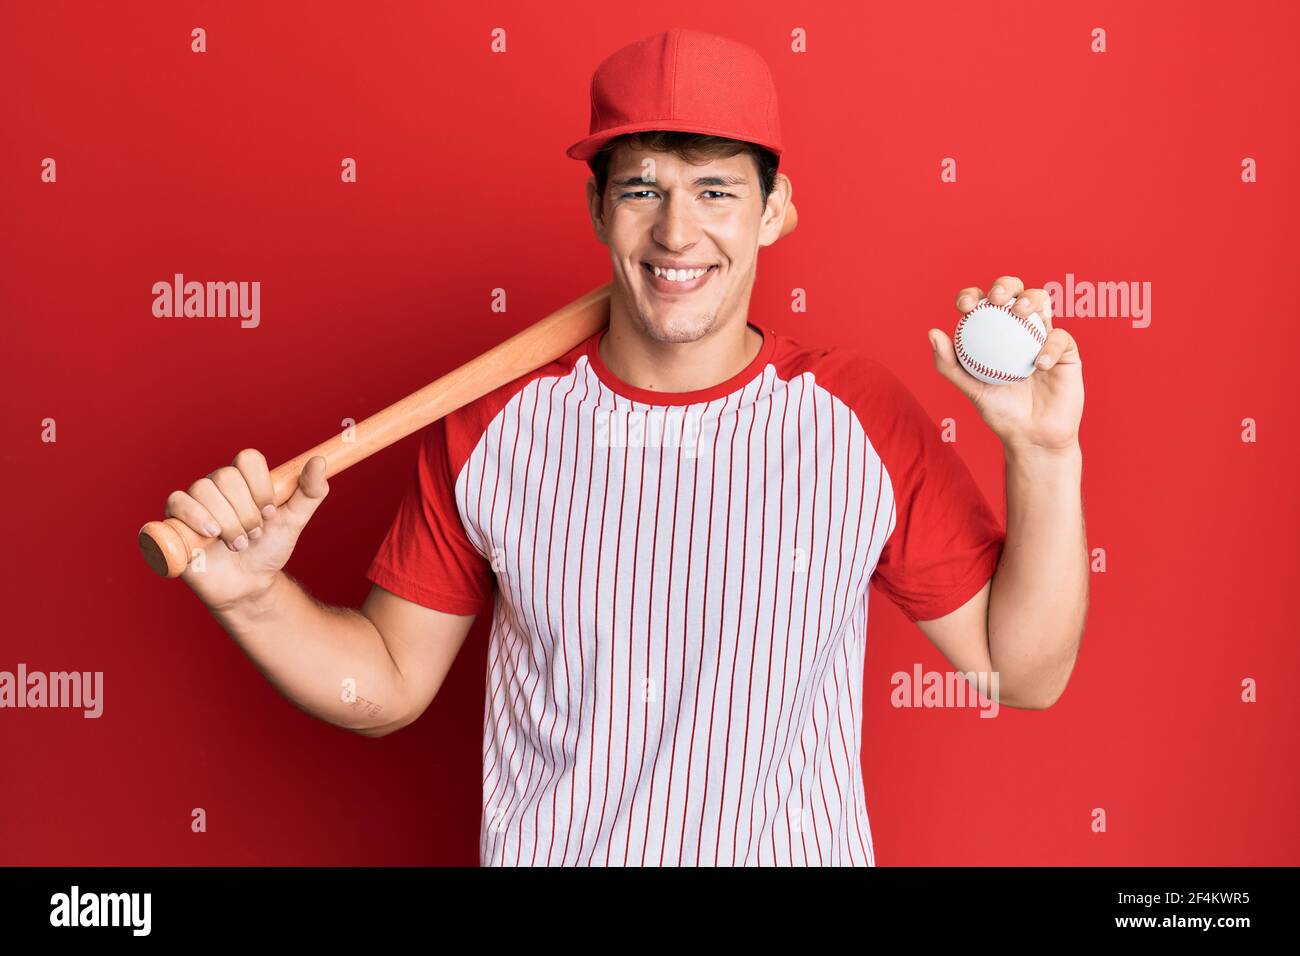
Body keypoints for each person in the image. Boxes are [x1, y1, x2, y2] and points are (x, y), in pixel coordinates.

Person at [165, 28, 1088, 866]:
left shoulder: (859, 418)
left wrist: (1044, 455)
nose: (677, 232)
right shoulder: (494, 427)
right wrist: (255, 600)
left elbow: (1026, 673)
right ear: (598, 209)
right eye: (643, 188)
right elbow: (391, 684)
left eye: (716, 190)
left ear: (772, 211)